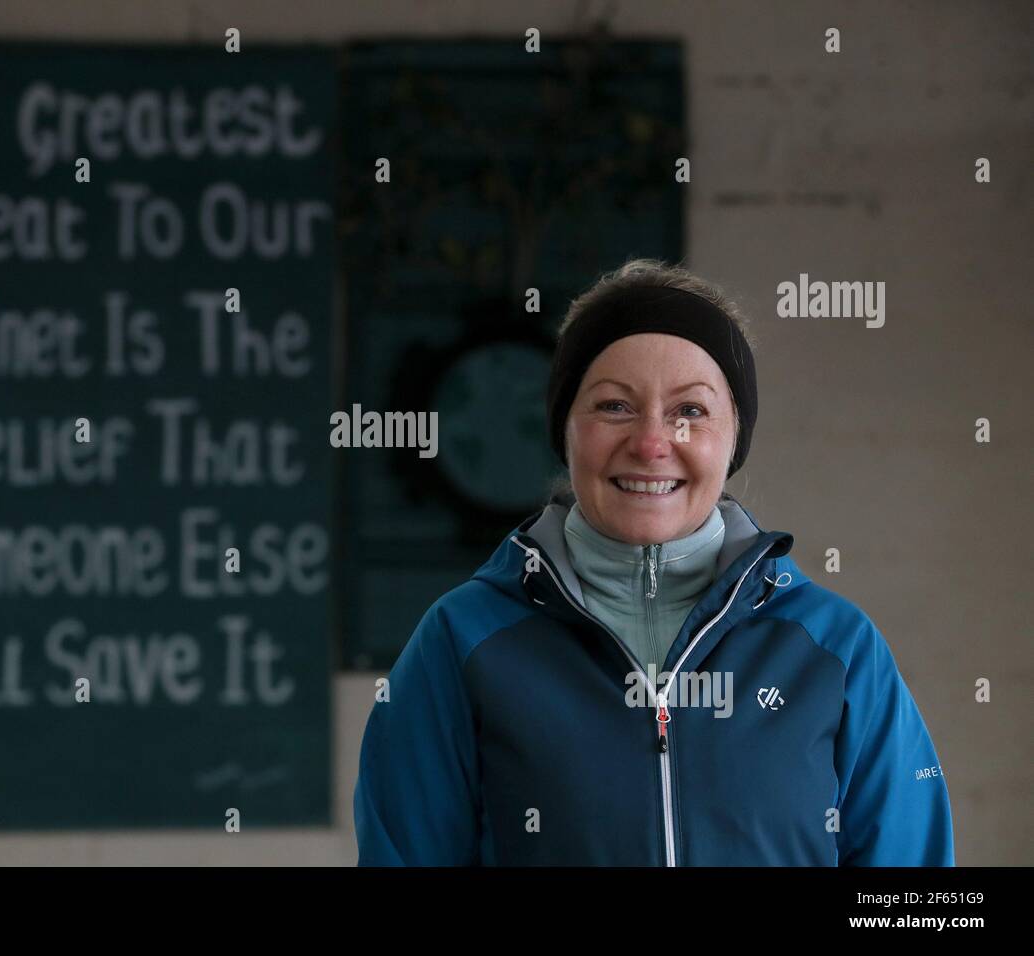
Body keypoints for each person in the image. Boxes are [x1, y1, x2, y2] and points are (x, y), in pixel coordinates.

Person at [352, 258, 954, 866]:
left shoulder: (835, 649)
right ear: (566, 430)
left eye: (689, 411)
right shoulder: (462, 642)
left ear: (733, 436)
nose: (650, 443)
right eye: (615, 406)